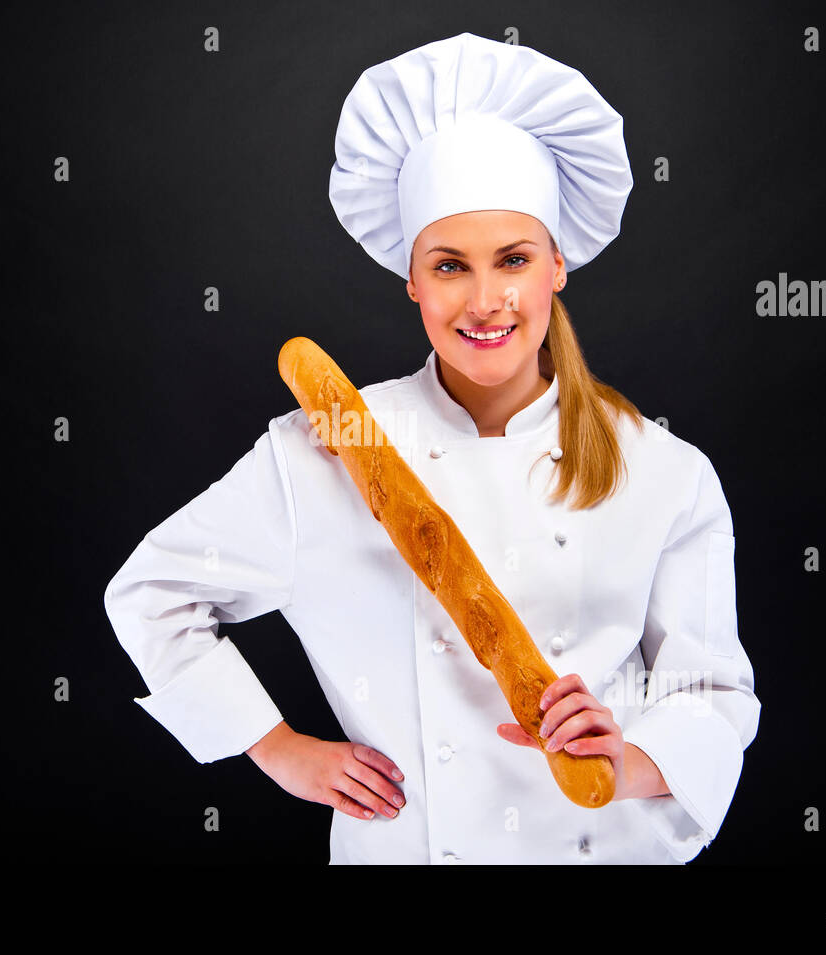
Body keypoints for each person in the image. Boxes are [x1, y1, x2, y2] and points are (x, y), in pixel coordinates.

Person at [103, 32, 760, 864]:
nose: (485, 300)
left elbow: (711, 691)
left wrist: (629, 761)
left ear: (558, 265)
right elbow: (151, 591)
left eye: (514, 260)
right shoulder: (327, 450)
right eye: (450, 265)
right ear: (411, 277)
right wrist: (275, 746)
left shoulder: (663, 471)